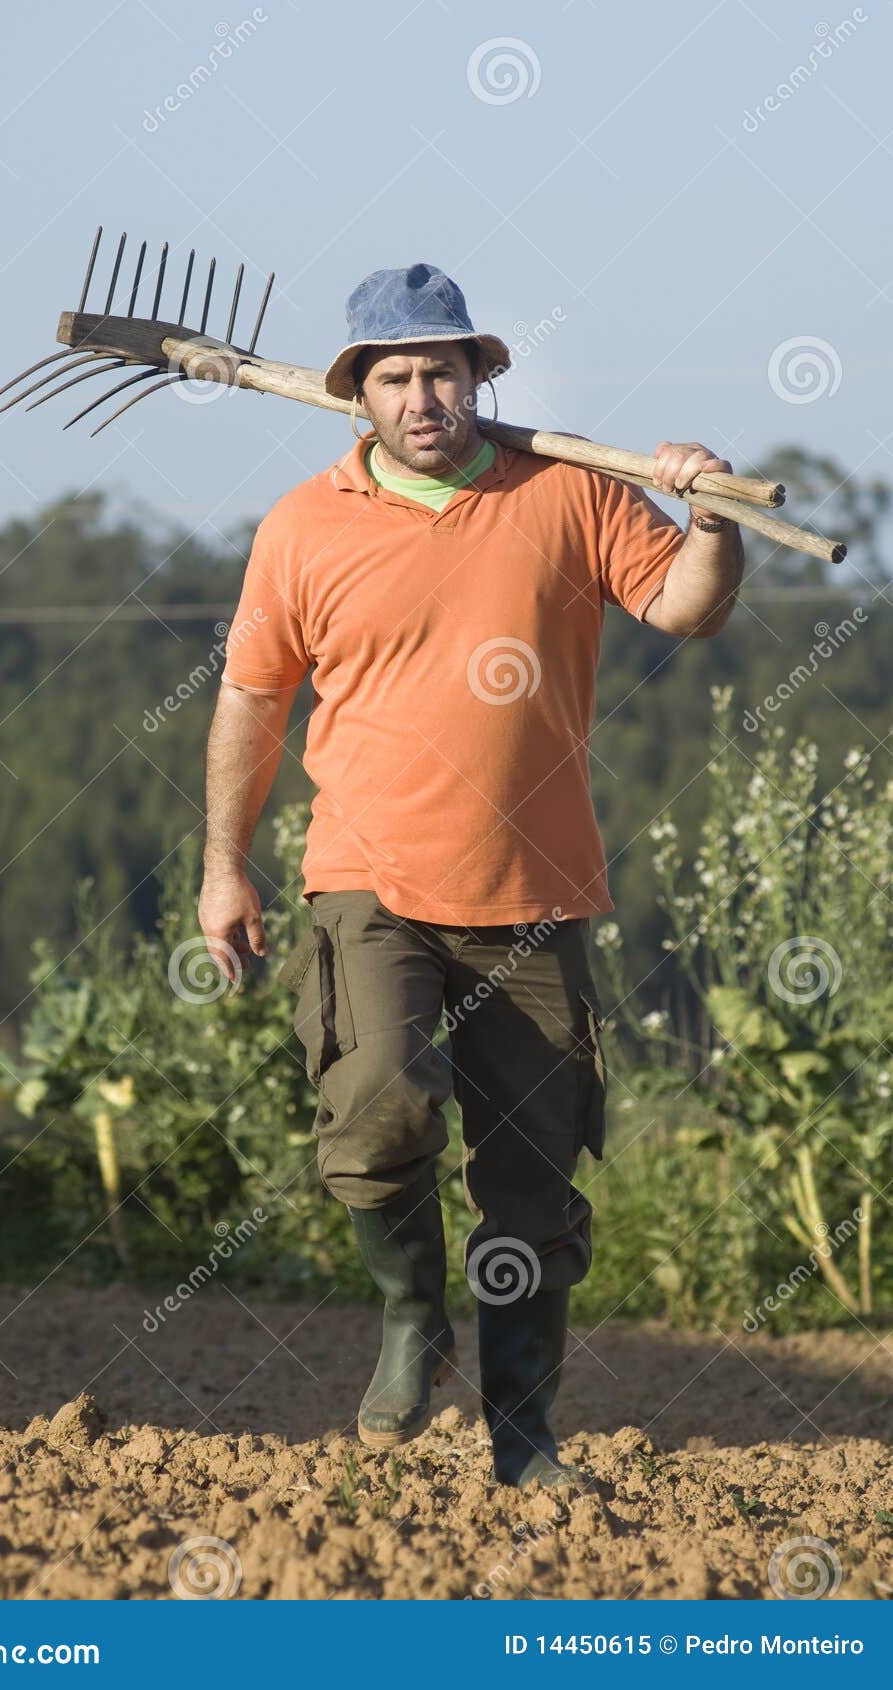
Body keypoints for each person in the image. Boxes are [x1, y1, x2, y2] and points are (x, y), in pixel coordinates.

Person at [196, 261, 743, 1490]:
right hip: (366, 879)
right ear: (357, 395)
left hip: (535, 894)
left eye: (441, 367)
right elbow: (250, 698)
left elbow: (687, 610)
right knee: (378, 1111)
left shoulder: (571, 494)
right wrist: (224, 866)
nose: (421, 393)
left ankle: (523, 1434)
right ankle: (407, 1316)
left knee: (532, 1196)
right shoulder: (302, 526)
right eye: (393, 374)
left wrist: (708, 516)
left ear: (482, 373)